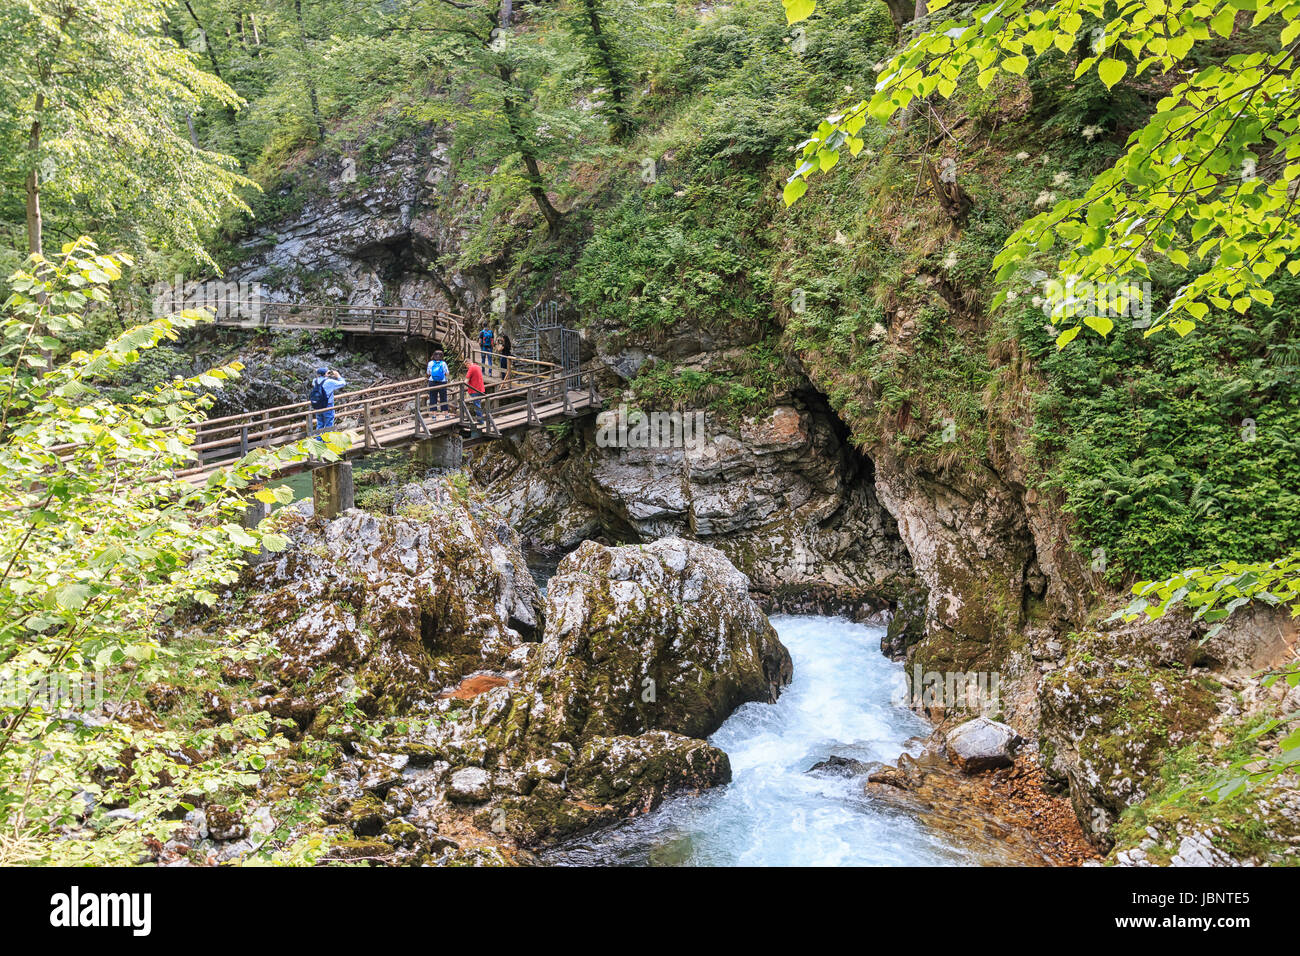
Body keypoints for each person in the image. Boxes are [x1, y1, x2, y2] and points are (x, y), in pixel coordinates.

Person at [309, 366, 347, 431]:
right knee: (329, 424)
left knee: (320, 424)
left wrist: (326, 374)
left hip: (317, 405)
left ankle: (318, 440)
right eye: (328, 372)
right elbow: (343, 383)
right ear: (325, 374)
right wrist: (338, 376)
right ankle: (327, 441)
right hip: (328, 405)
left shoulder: (314, 381)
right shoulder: (329, 382)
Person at [426, 348, 449, 414]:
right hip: (442, 382)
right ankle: (446, 413)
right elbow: (447, 373)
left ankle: (434, 415)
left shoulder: (430, 363)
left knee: (433, 397)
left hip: (432, 382)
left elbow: (428, 373)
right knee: (443, 397)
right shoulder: (443, 363)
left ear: (433, 355)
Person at [466, 360, 486, 425]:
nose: (466, 367)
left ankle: (481, 421)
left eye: (466, 366)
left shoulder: (471, 368)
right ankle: (480, 419)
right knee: (478, 405)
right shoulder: (477, 366)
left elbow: (466, 380)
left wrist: (463, 386)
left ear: (468, 363)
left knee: (477, 406)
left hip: (474, 390)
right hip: (480, 389)